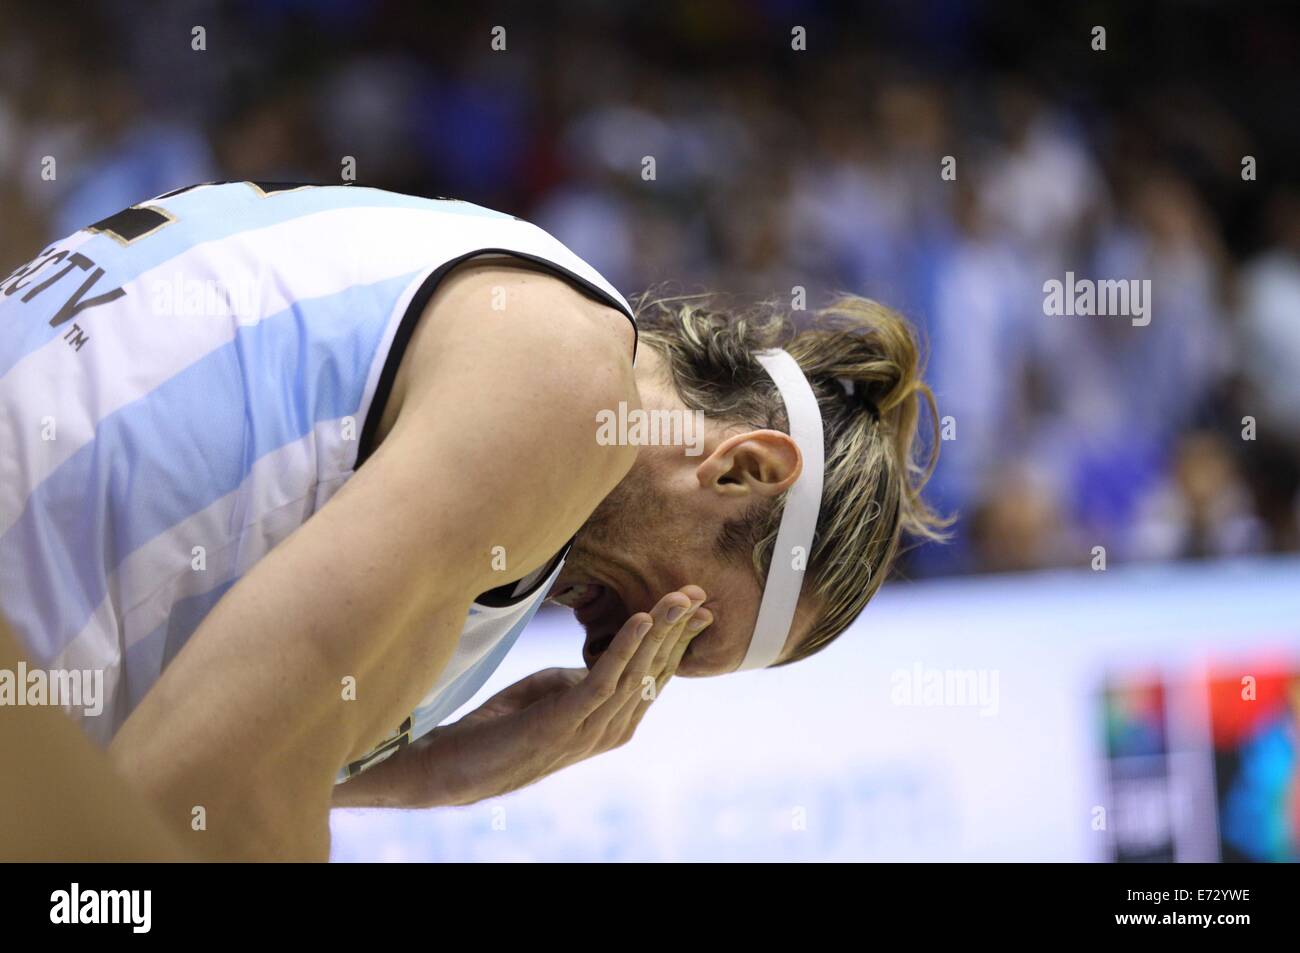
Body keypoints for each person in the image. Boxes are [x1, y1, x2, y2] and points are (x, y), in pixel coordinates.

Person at [0, 181, 944, 859]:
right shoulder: (564, 384)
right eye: (686, 634)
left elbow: (173, 778)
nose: (614, 652)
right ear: (741, 468)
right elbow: (195, 806)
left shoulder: (508, 321)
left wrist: (424, 776)